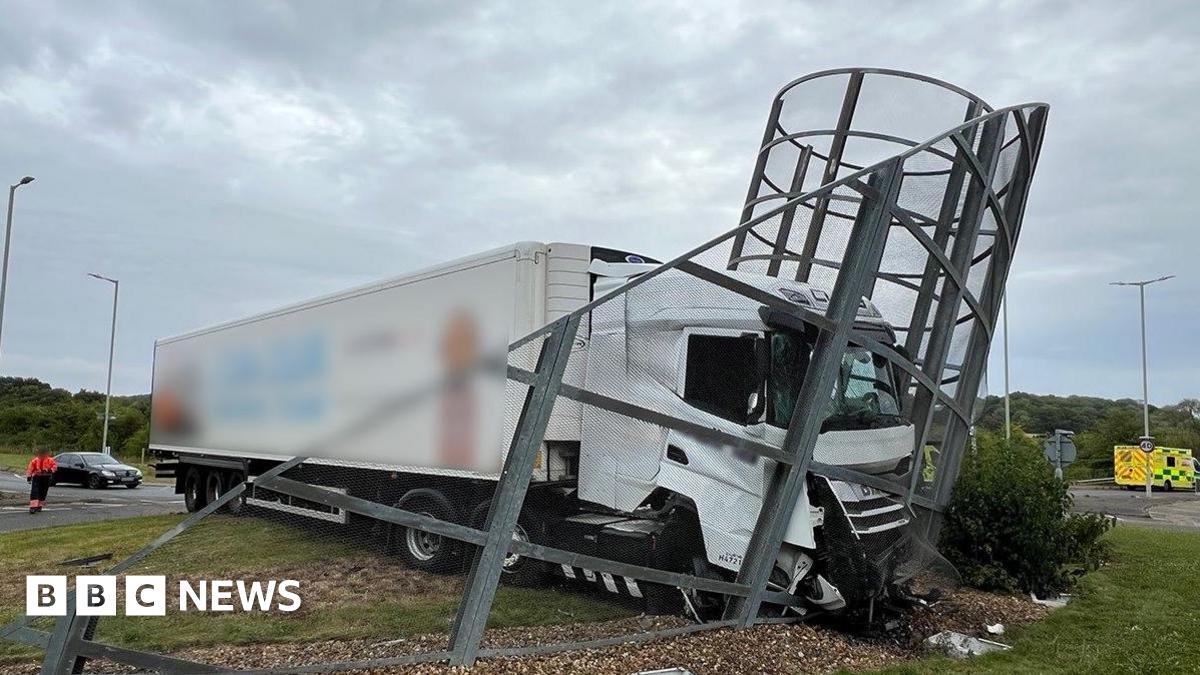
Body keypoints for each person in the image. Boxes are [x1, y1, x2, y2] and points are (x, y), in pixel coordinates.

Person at [26, 447, 57, 514]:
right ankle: (33, 507)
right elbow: (30, 468)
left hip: (46, 477)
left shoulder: (50, 460)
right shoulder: (35, 460)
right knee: (35, 491)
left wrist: (50, 470)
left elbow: (54, 467)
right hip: (37, 477)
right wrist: (29, 476)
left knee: (43, 492)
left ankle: (39, 505)